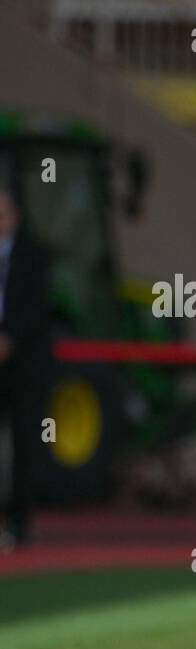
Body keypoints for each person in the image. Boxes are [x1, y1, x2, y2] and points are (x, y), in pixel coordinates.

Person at [0, 189, 53, 548]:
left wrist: (10, 340)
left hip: (23, 365)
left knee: (23, 443)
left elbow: (37, 307)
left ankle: (20, 524)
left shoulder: (34, 255)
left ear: (15, 215)